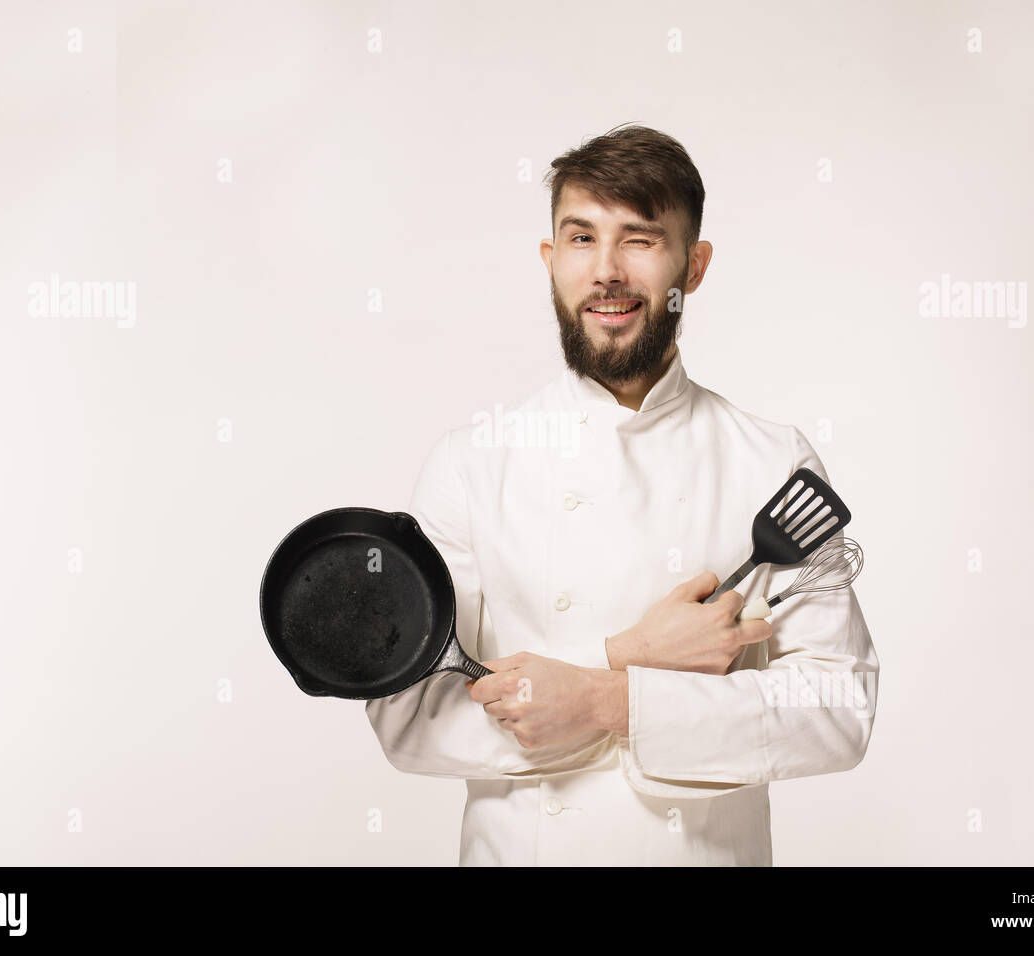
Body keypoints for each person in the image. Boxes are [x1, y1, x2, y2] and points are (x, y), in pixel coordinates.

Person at [365, 123, 878, 866]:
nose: (606, 272)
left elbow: (838, 709)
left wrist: (613, 702)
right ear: (550, 260)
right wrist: (627, 656)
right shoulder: (471, 464)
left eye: (640, 240)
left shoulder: (772, 460)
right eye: (580, 239)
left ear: (692, 266)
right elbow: (410, 718)